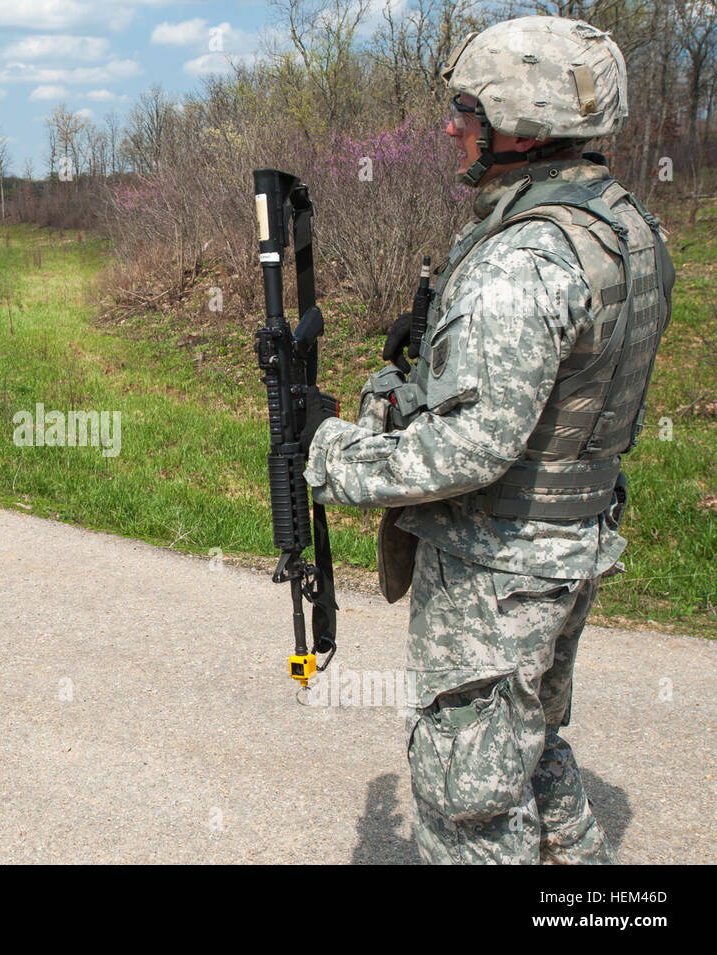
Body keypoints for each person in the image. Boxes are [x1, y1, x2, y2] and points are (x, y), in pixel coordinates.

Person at [301, 16, 672, 863]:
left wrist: (335, 455)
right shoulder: (622, 226)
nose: (449, 126)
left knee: (466, 800)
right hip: (565, 547)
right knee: (530, 755)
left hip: (498, 568)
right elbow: (556, 397)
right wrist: (421, 371)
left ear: (525, 125)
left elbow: (471, 449)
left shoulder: (525, 256)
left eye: (466, 108)